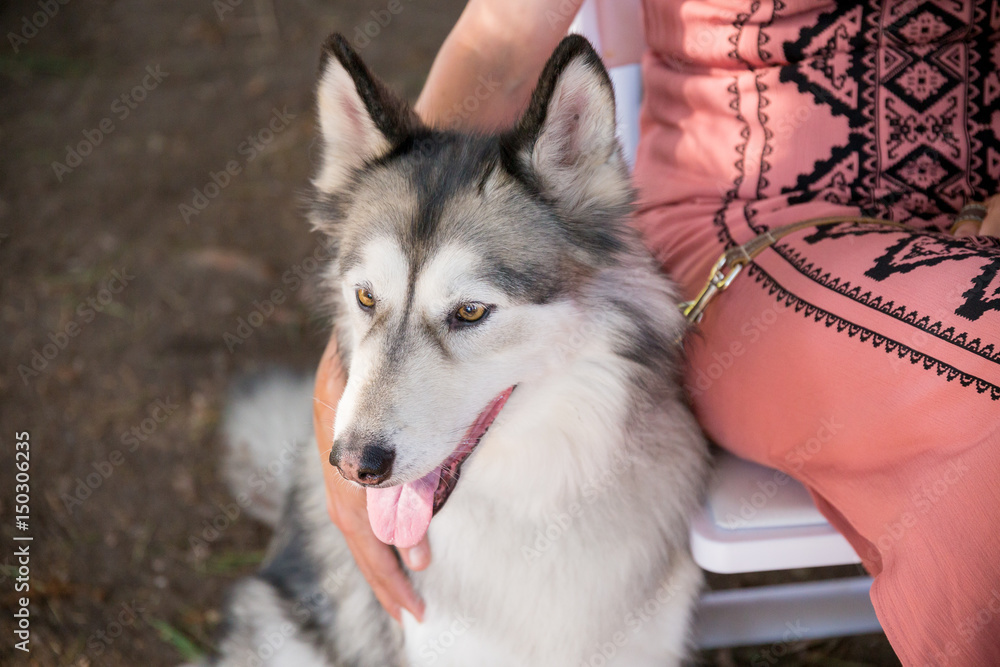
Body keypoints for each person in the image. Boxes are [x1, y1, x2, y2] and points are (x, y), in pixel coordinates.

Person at [313, 0, 1000, 662]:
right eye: (365, 299)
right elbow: (501, 34)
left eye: (465, 313)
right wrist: (347, 358)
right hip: (762, 219)